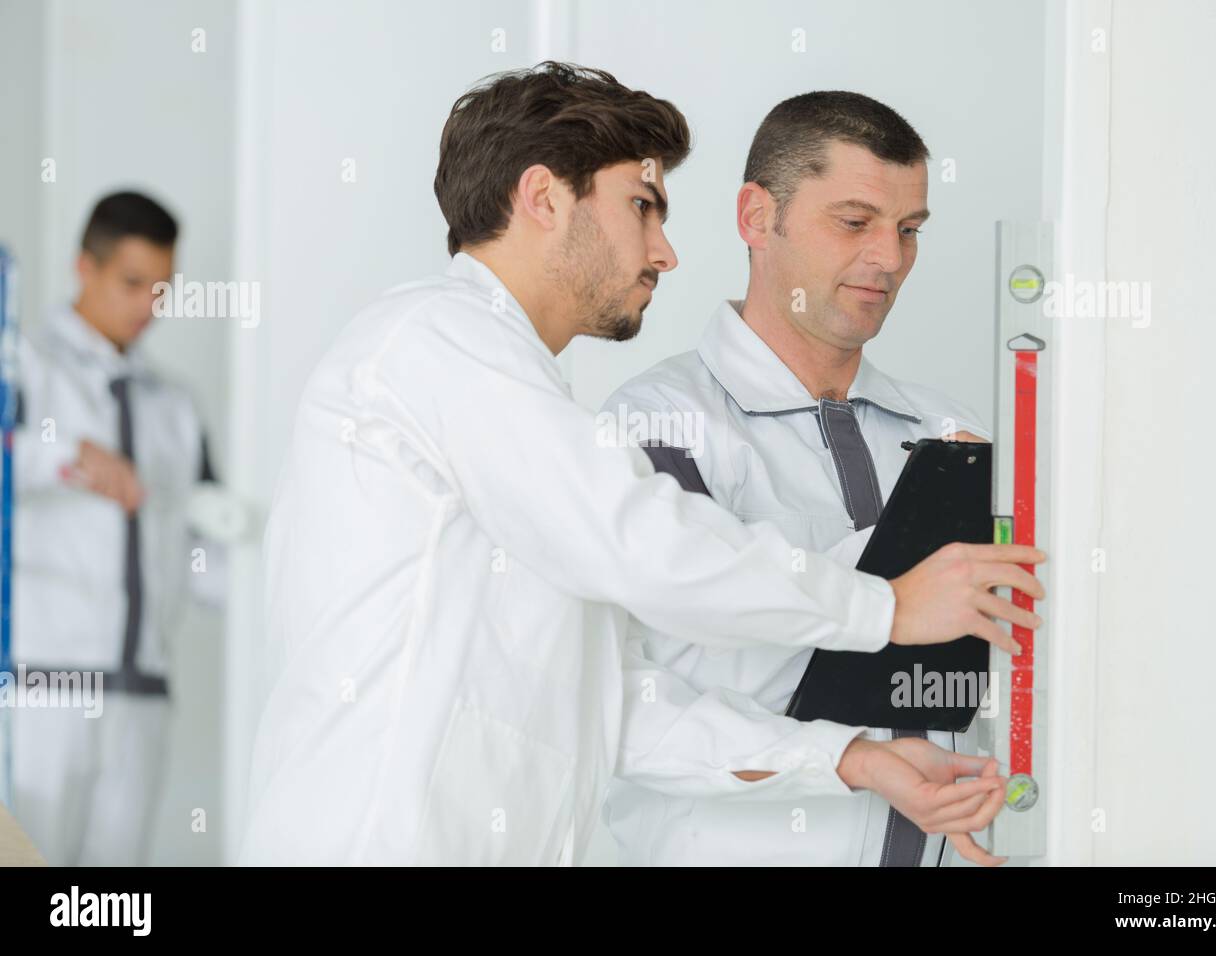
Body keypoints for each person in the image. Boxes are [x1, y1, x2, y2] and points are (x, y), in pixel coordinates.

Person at [239, 63, 1043, 866]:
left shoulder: (516, 412)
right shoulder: (432, 342)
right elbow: (640, 541)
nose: (665, 252)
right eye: (642, 207)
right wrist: (886, 608)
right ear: (545, 199)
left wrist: (850, 759)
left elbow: (616, 709)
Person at [602, 91, 1029, 867]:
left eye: (909, 230)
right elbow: (636, 699)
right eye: (855, 222)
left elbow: (1007, 676)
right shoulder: (657, 427)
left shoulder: (950, 435)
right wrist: (902, 561)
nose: (891, 259)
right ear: (756, 218)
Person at [10, 191, 232, 865]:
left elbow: (204, 553)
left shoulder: (175, 407)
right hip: (44, 688)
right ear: (85, 266)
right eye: (132, 283)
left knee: (112, 898)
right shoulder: (23, 367)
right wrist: (65, 458)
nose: (148, 306)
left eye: (163, 288)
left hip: (141, 697)